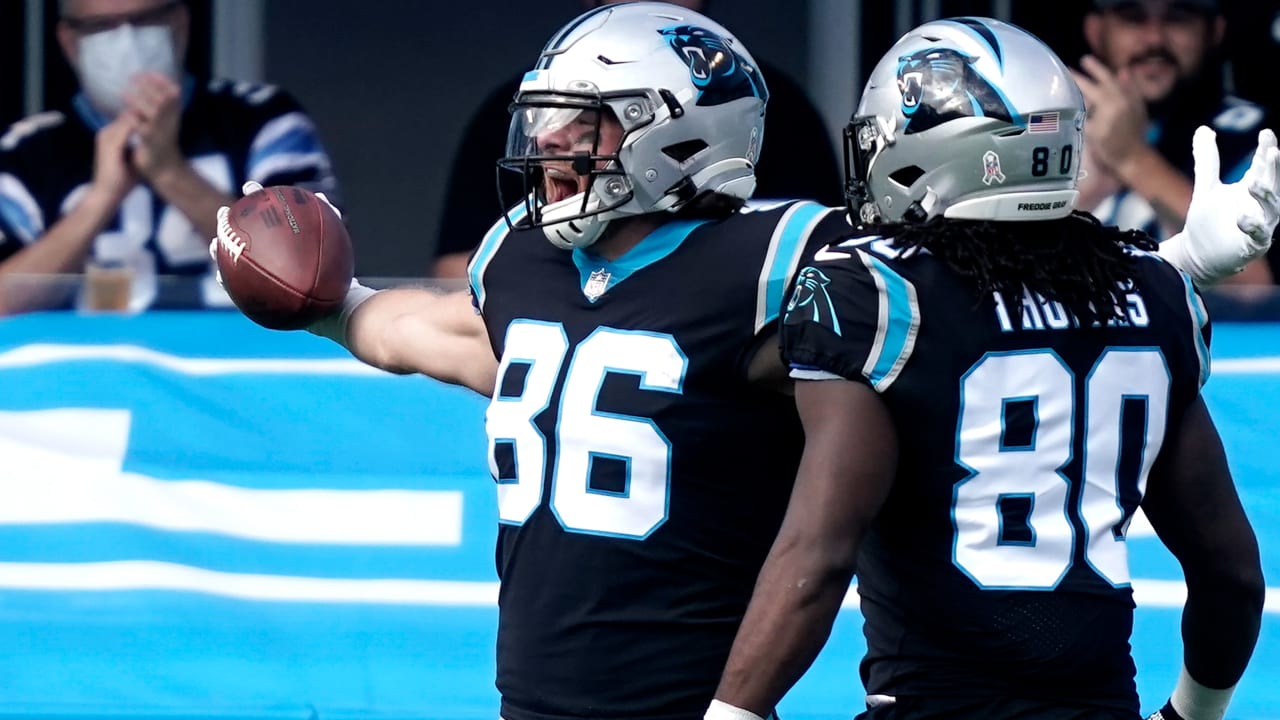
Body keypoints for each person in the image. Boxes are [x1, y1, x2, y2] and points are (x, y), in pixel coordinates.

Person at [213, 5, 1274, 720]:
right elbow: (448, 340)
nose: (547, 153)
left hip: (691, 688)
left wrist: (1173, 257)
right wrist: (329, 306)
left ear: (672, 135)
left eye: (578, 127)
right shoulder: (523, 259)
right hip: (535, 691)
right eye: (545, 127)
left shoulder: (782, 255)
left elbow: (973, 309)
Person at [707, 17, 1272, 720]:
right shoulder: (1154, 291)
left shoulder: (878, 292)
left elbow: (817, 559)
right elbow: (1233, 577)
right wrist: (1190, 716)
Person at [429, 0, 843, 278]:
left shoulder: (770, 108)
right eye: (548, 118)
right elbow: (456, 279)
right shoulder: (520, 262)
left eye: (586, 123)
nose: (549, 139)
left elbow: (823, 272)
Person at [0, 0, 340, 315]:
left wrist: (170, 172)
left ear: (179, 23)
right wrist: (101, 199)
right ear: (70, 41)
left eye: (144, 20)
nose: (127, 42)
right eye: (101, 27)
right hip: (78, 373)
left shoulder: (263, 119)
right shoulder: (25, 149)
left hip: (238, 366)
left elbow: (311, 275)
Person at [1072, 0, 1275, 284]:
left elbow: (1256, 289)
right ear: (1095, 30)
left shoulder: (1261, 137)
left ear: (1214, 31)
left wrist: (1131, 158)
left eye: (1178, 17)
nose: (1154, 38)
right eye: (1133, 17)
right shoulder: (1050, 128)